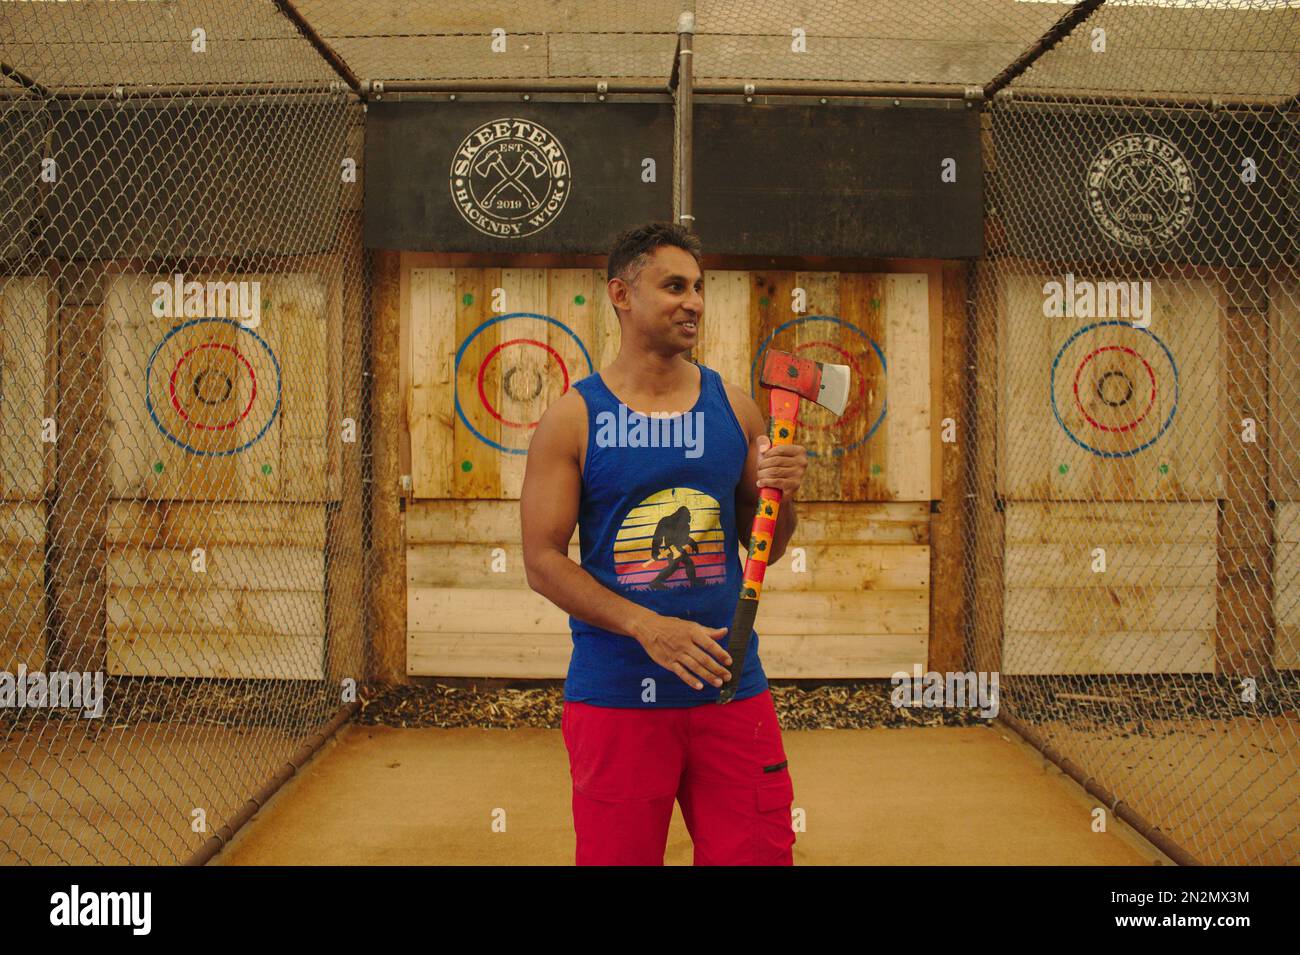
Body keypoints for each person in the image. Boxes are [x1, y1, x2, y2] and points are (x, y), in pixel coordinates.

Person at [521, 221, 807, 865]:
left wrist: (784, 495)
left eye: (699, 288)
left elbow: (765, 546)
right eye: (674, 287)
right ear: (621, 295)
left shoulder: (734, 408)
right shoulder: (575, 418)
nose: (694, 302)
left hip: (730, 687)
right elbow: (541, 561)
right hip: (618, 695)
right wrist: (647, 626)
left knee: (757, 857)